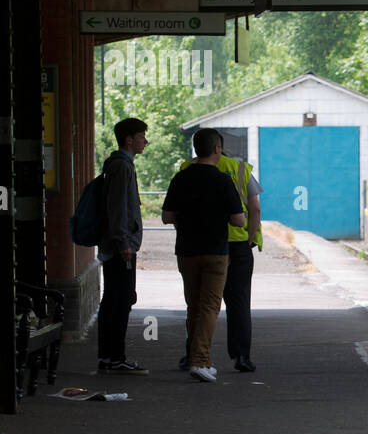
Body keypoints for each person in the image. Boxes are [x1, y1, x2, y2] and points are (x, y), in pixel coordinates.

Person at [162, 128, 244, 383]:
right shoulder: (223, 180)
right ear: (217, 149)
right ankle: (199, 361)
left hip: (187, 251)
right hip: (216, 251)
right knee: (209, 307)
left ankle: (202, 360)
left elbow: (166, 216)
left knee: (194, 306)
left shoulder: (181, 178)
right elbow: (239, 220)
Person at [174, 147, 263, 372]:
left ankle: (192, 355)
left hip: (201, 243)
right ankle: (241, 356)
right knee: (239, 303)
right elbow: (255, 208)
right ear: (219, 148)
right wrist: (250, 239)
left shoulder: (187, 169)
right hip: (237, 244)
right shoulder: (240, 169)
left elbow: (176, 211)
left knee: (198, 304)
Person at [97, 117, 150, 375]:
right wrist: (124, 242)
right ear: (129, 139)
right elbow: (118, 207)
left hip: (117, 243)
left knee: (115, 299)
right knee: (120, 299)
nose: (145, 141)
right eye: (141, 136)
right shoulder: (122, 167)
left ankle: (109, 356)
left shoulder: (118, 165)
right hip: (121, 246)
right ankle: (114, 357)